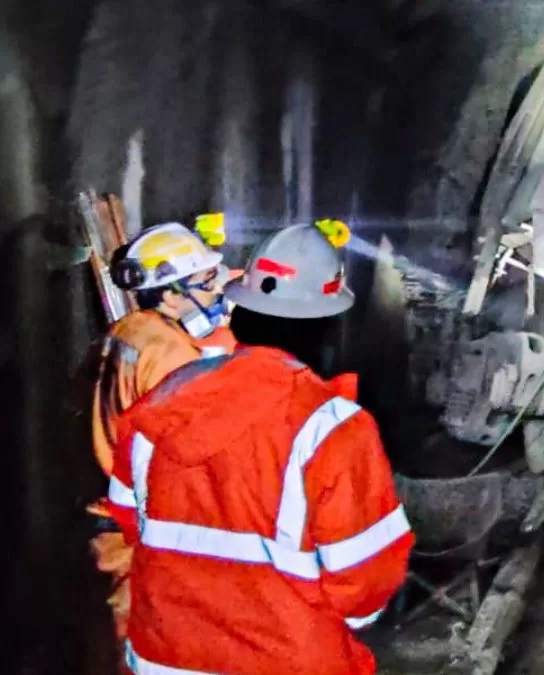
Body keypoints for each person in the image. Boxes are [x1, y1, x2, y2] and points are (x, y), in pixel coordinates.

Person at [106, 222, 413, 675]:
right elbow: (365, 581)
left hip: (164, 660)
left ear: (243, 312)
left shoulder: (160, 404)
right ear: (328, 327)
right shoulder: (332, 428)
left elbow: (129, 518)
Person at [88, 221, 237, 648]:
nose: (217, 290)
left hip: (113, 522)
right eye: (206, 281)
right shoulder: (172, 356)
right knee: (147, 647)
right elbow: (192, 456)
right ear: (171, 294)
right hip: (143, 533)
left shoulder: (129, 330)